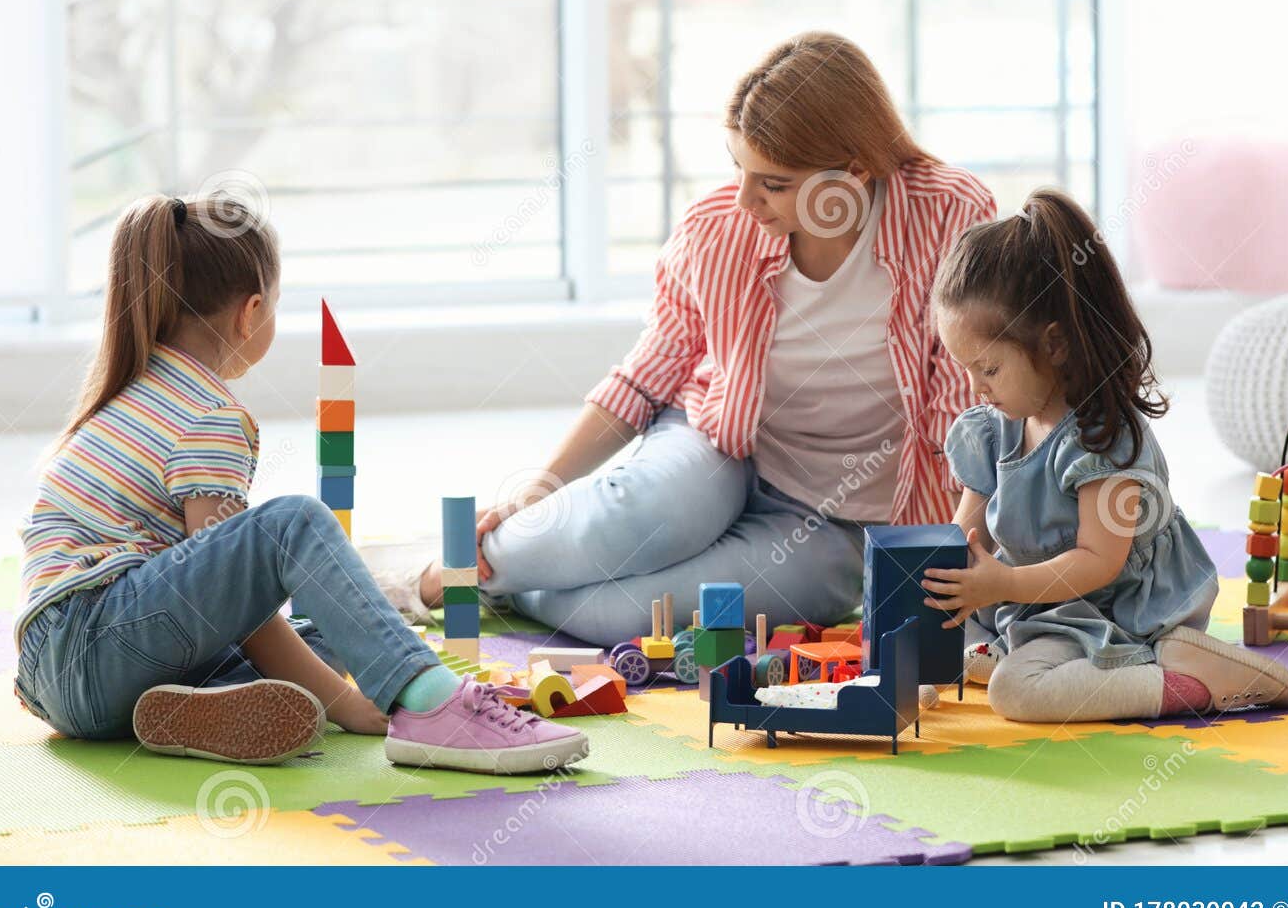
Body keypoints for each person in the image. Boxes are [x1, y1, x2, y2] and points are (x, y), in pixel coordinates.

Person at [419, 32, 996, 647]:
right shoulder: (718, 228)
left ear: (853, 169)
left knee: (628, 616)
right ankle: (440, 577)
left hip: (844, 524)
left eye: (772, 183)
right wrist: (544, 487)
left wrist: (959, 547)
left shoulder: (951, 214)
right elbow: (647, 374)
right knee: (622, 523)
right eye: (739, 169)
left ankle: (497, 581)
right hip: (721, 447)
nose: (746, 200)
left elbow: (970, 411)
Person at [15, 193, 588, 772]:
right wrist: (349, 705)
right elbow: (246, 609)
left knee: (324, 634)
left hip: (63, 680)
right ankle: (432, 704)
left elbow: (219, 599)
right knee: (294, 523)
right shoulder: (207, 414)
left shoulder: (128, 394)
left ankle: (187, 711)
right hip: (96, 644)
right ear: (252, 310)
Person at [928, 188, 1288, 721]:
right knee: (939, 634)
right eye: (965, 369)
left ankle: (1186, 679)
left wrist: (1004, 583)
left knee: (1015, 693)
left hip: (1113, 606)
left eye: (988, 370)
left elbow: (1099, 563)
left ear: (1054, 347)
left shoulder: (1103, 439)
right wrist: (928, 575)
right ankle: (1014, 649)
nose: (975, 389)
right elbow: (964, 537)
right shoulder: (993, 428)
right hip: (1036, 599)